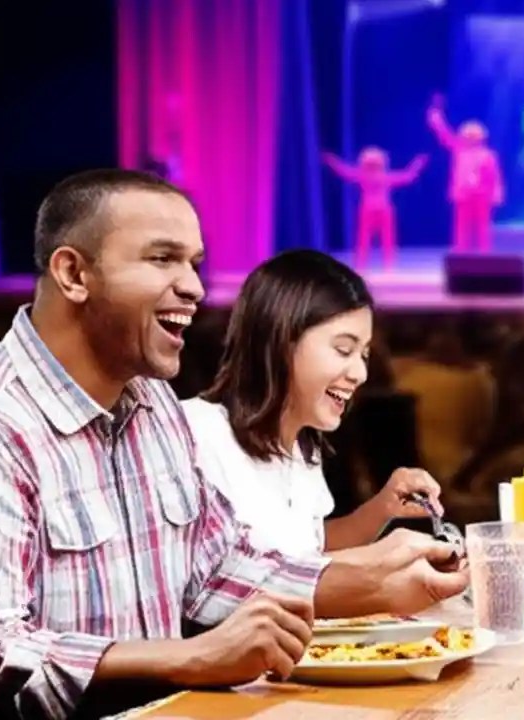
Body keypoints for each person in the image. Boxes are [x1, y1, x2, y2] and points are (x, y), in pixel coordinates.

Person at [0, 170, 469, 719]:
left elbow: (217, 568)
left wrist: (379, 580)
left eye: (194, 263)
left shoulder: (154, 404)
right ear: (74, 274)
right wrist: (191, 659)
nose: (194, 286)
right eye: (163, 259)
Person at [183, 249, 444, 559]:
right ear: (281, 342)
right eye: (343, 350)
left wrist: (382, 509)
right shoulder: (195, 435)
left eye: (364, 355)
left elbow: (310, 550)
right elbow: (233, 574)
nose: (360, 374)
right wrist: (378, 567)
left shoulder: (301, 449)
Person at [321, 148, 428, 270]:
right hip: (377, 209)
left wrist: (331, 161)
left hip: (374, 209)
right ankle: (379, 264)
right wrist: (418, 164)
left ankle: (372, 264)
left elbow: (345, 172)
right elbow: (407, 176)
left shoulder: (367, 175)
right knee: (376, 238)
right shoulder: (373, 176)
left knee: (376, 238)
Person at [426, 94, 503, 253]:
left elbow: (494, 178)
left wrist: (495, 194)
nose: (470, 139)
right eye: (467, 136)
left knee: (482, 227)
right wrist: (436, 118)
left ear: (480, 137)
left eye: (473, 136)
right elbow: (444, 134)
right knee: (462, 227)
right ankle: (461, 252)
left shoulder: (488, 155)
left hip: (482, 195)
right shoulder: (459, 149)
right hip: (463, 193)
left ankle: (484, 254)